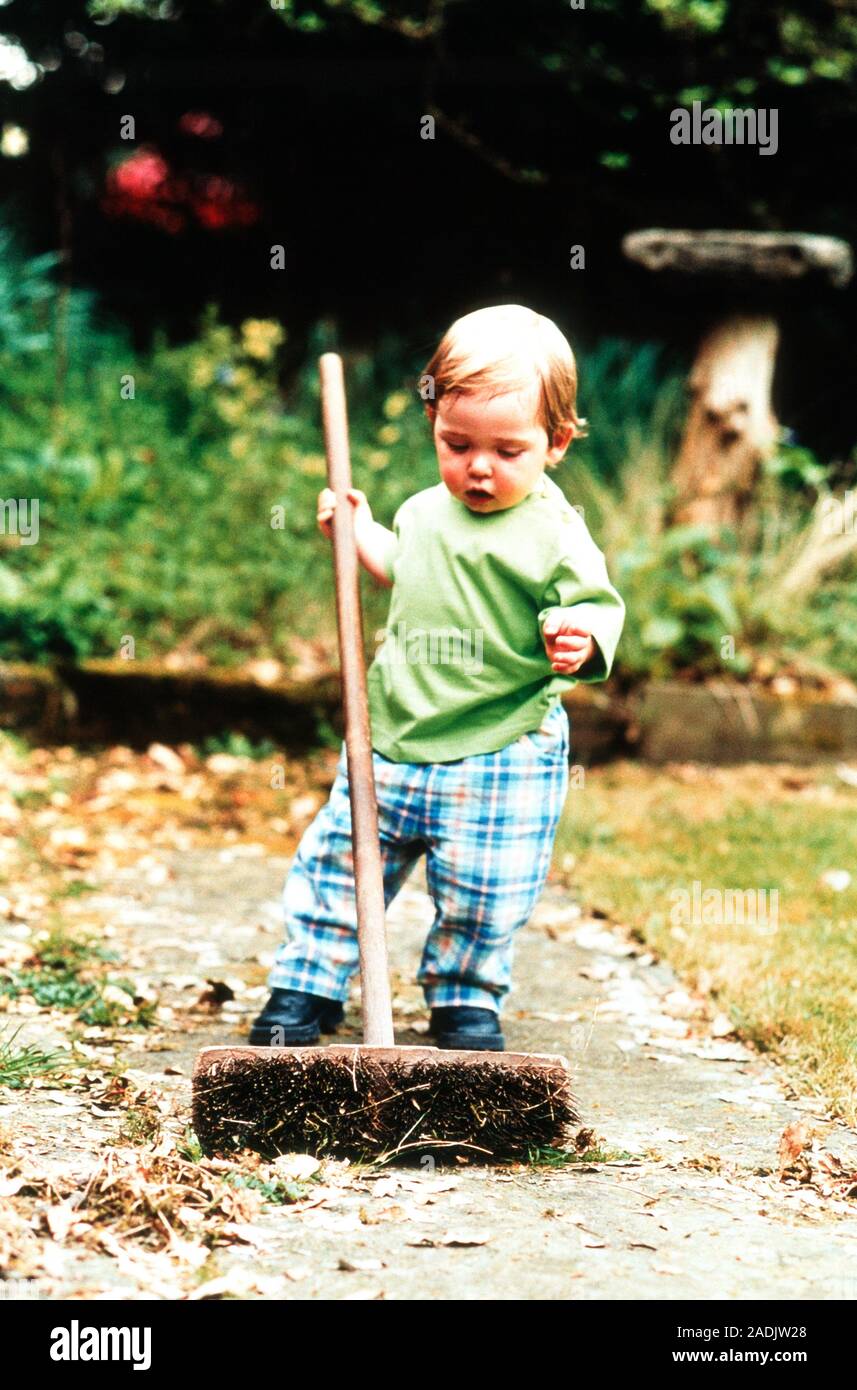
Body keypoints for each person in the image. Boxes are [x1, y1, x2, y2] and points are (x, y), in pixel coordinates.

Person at [249, 304, 625, 1050]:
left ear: (554, 444)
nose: (477, 467)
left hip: (500, 746)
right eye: (456, 444)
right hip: (392, 733)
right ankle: (308, 984)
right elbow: (407, 571)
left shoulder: (555, 530)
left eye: (505, 451)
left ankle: (463, 998)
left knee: (485, 894)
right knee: (339, 867)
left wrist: (574, 637)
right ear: (433, 423)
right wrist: (359, 534)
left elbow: (592, 604)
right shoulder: (423, 512)